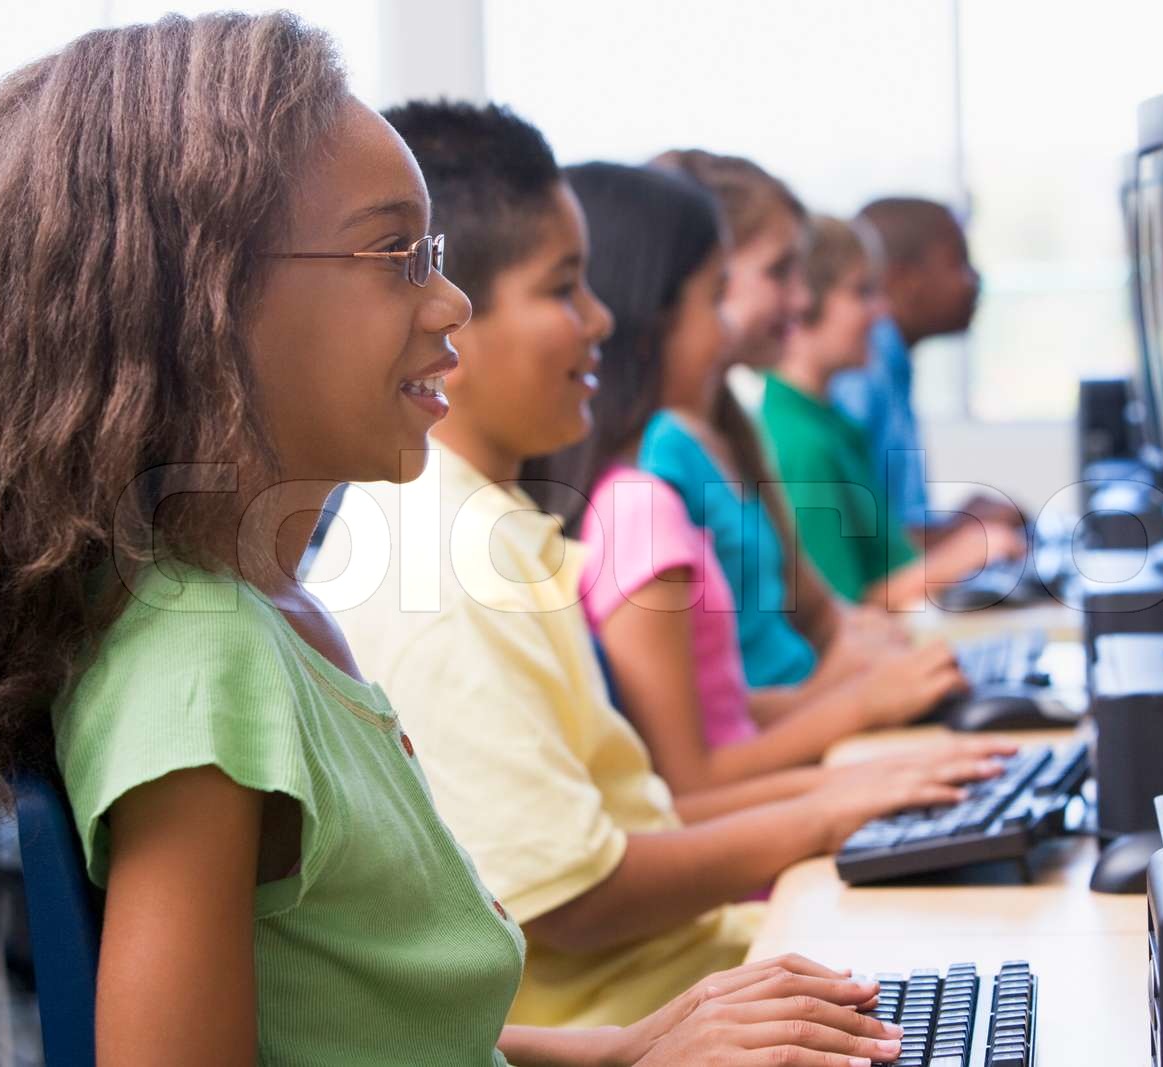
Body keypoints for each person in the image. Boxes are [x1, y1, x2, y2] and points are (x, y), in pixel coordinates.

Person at [0, 21, 920, 1065]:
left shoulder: (268, 616)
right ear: (200, 299)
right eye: (397, 254)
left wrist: (625, 1050)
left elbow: (392, 1034)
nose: (449, 299)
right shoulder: (198, 666)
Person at [318, 105, 1005, 1031]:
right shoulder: (449, 570)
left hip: (697, 974)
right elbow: (573, 893)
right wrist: (832, 804)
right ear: (453, 318)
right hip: (645, 1012)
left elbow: (632, 811)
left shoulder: (498, 524)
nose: (602, 317)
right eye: (565, 290)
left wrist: (852, 787)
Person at [524, 164, 999, 798]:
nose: (800, 301)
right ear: (657, 312)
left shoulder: (716, 440)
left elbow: (737, 705)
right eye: (718, 292)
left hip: (792, 754)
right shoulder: (646, 492)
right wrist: (857, 714)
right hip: (775, 785)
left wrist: (868, 696)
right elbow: (690, 778)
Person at [644, 151, 959, 721]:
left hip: (809, 719)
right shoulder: (660, 457)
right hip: (798, 732)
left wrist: (875, 655)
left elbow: (824, 612)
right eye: (779, 272)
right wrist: (852, 695)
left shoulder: (731, 428)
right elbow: (705, 734)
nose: (800, 298)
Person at [764, 216, 996, 605]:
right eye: (862, 293)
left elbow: (885, 563)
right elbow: (843, 611)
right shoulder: (798, 445)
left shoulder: (833, 425)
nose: (881, 311)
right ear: (803, 303)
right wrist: (957, 558)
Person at [829, 197, 1025, 550]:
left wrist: (951, 525)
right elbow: (859, 545)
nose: (974, 281)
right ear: (903, 280)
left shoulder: (893, 363)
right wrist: (959, 534)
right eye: (959, 262)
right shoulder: (859, 373)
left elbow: (892, 520)